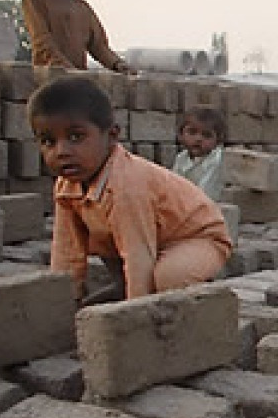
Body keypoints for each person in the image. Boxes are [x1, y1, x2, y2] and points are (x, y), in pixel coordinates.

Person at [28, 77, 232, 306]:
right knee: (101, 238)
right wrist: (64, 302)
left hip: (197, 238)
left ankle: (191, 290)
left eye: (76, 137)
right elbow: (66, 250)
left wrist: (133, 315)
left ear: (111, 136)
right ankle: (124, 287)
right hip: (147, 237)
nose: (61, 151)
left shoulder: (126, 186)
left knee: (167, 279)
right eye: (48, 141)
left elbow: (138, 256)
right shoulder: (66, 185)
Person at [172, 105, 226, 201]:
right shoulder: (181, 158)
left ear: (218, 141)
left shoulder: (217, 161)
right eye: (192, 132)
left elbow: (205, 194)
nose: (198, 139)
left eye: (207, 135)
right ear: (181, 135)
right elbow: (173, 186)